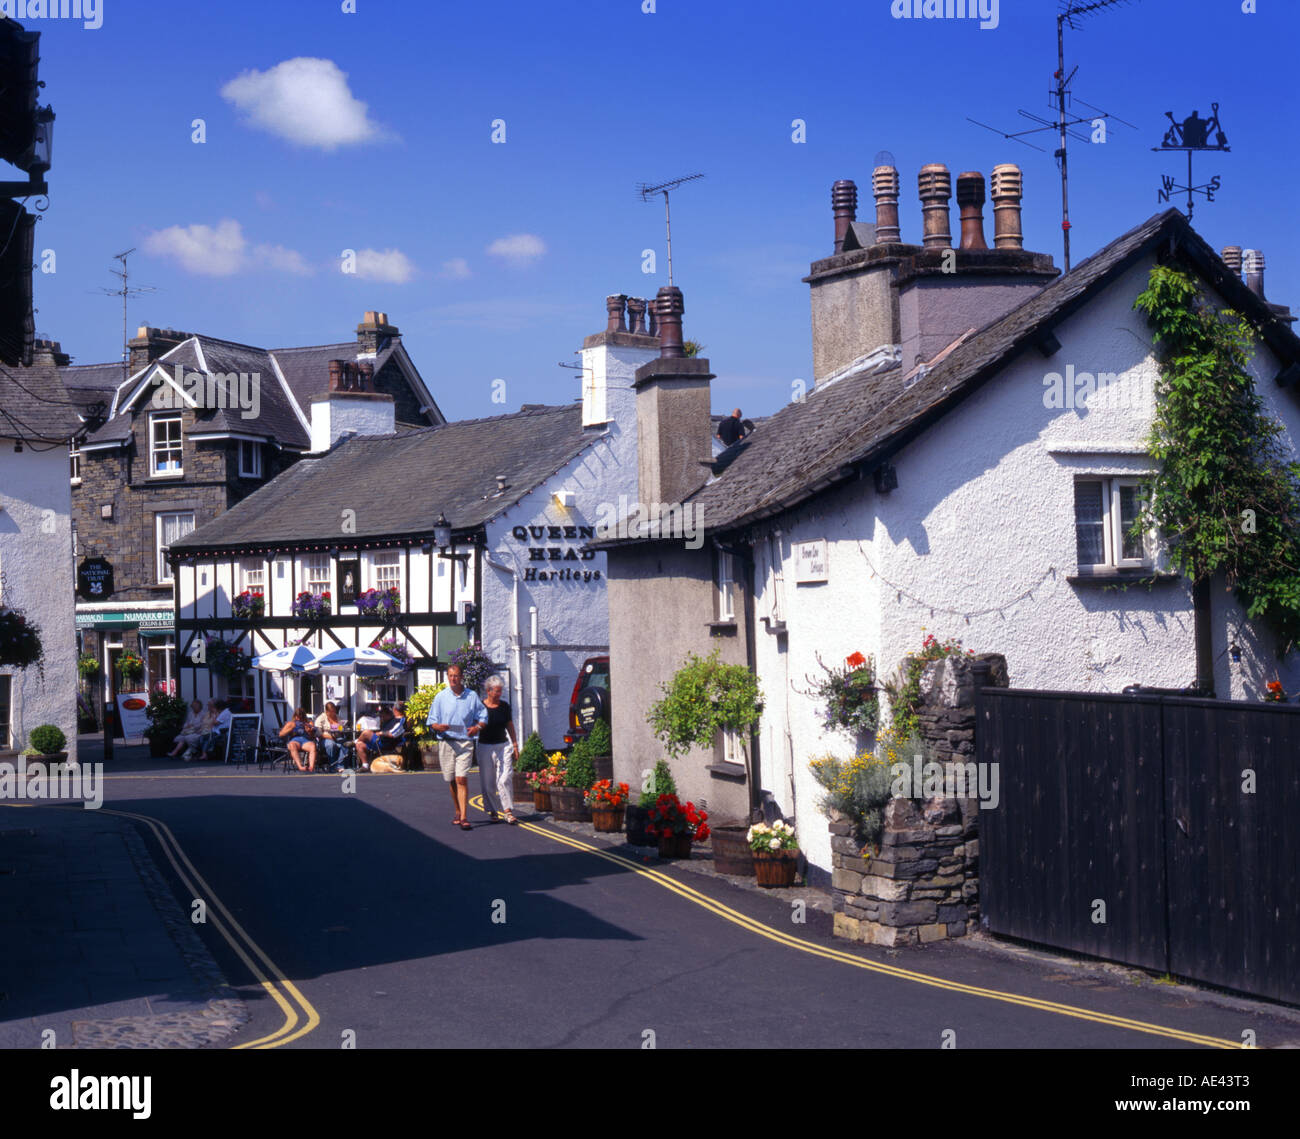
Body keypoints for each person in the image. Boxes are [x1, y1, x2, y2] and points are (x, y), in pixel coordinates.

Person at [426, 665, 487, 830]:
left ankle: (465, 817)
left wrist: (476, 728)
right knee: (451, 780)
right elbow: (432, 721)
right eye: (451, 676)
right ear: (447, 677)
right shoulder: (440, 697)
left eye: (456, 676)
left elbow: (483, 716)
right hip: (446, 742)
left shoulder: (472, 696)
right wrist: (438, 727)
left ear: (461, 677)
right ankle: (457, 810)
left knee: (462, 778)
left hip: (465, 742)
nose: (453, 679)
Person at [477, 676, 519, 824]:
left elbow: (510, 725)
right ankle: (493, 810)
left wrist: (515, 745)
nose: (499, 694)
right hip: (485, 746)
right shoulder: (480, 707)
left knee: (504, 778)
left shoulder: (505, 706)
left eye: (501, 691)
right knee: (488, 782)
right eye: (497, 691)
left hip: (503, 745)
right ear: (488, 691)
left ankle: (507, 811)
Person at [279, 706, 320, 772]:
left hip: (306, 741)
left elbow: (312, 737)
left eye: (301, 717)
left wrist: (309, 731)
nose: (299, 719)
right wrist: (291, 728)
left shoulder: (309, 723)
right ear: (295, 716)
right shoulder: (291, 723)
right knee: (292, 745)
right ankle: (300, 766)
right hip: (295, 741)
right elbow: (281, 734)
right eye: (297, 717)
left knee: (313, 745)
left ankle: (311, 767)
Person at [315, 702, 347, 769]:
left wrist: (342, 727)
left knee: (345, 744)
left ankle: (340, 765)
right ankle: (332, 764)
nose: (333, 713)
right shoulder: (321, 718)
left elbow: (343, 728)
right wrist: (330, 737)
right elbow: (318, 733)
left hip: (338, 737)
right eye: (331, 712)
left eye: (334, 711)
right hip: (325, 738)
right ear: (326, 711)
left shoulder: (338, 717)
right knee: (331, 745)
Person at [354, 703, 382, 771]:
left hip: (382, 742)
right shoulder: (363, 719)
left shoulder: (393, 721)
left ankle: (354, 741)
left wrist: (381, 733)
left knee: (366, 732)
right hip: (374, 741)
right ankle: (365, 766)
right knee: (359, 744)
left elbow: (390, 733)